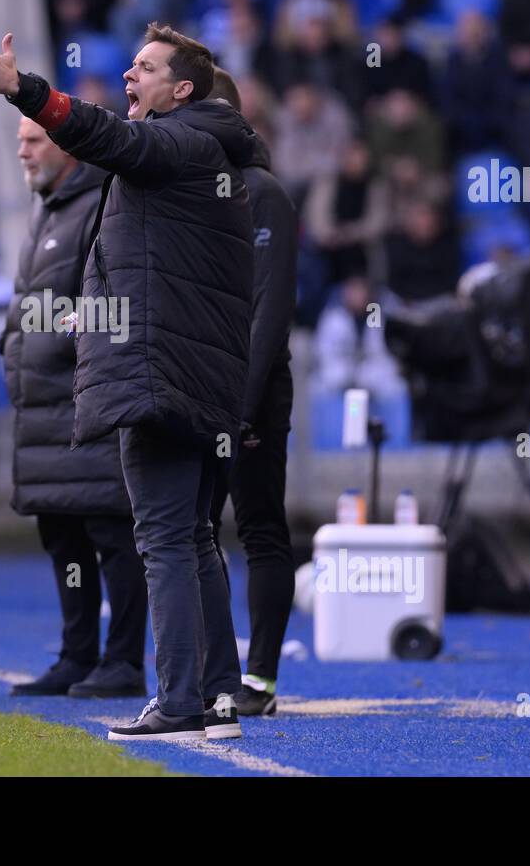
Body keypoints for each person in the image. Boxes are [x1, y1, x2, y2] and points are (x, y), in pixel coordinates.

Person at [0, 23, 252, 741]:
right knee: (193, 537)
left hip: (159, 374)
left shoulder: (180, 142)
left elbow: (108, 140)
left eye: (145, 69)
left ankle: (179, 703)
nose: (129, 77)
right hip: (194, 374)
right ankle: (215, 698)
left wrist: (25, 92)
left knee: (164, 540)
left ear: (181, 90)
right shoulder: (212, 151)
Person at [2, 118, 148, 699]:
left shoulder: (104, 201)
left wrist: (54, 335)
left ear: (65, 146)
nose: (23, 151)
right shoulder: (47, 208)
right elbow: (31, 305)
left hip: (86, 404)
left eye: (33, 141)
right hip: (41, 407)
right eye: (18, 142)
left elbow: (120, 303)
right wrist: (11, 351)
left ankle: (124, 662)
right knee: (62, 537)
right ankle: (77, 656)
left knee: (111, 536)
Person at [204, 68, 298, 717]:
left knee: (259, 528)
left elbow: (268, 309)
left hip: (249, 392)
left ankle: (258, 679)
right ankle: (211, 671)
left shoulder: (262, 194)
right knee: (194, 531)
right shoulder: (195, 191)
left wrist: (242, 400)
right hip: (199, 385)